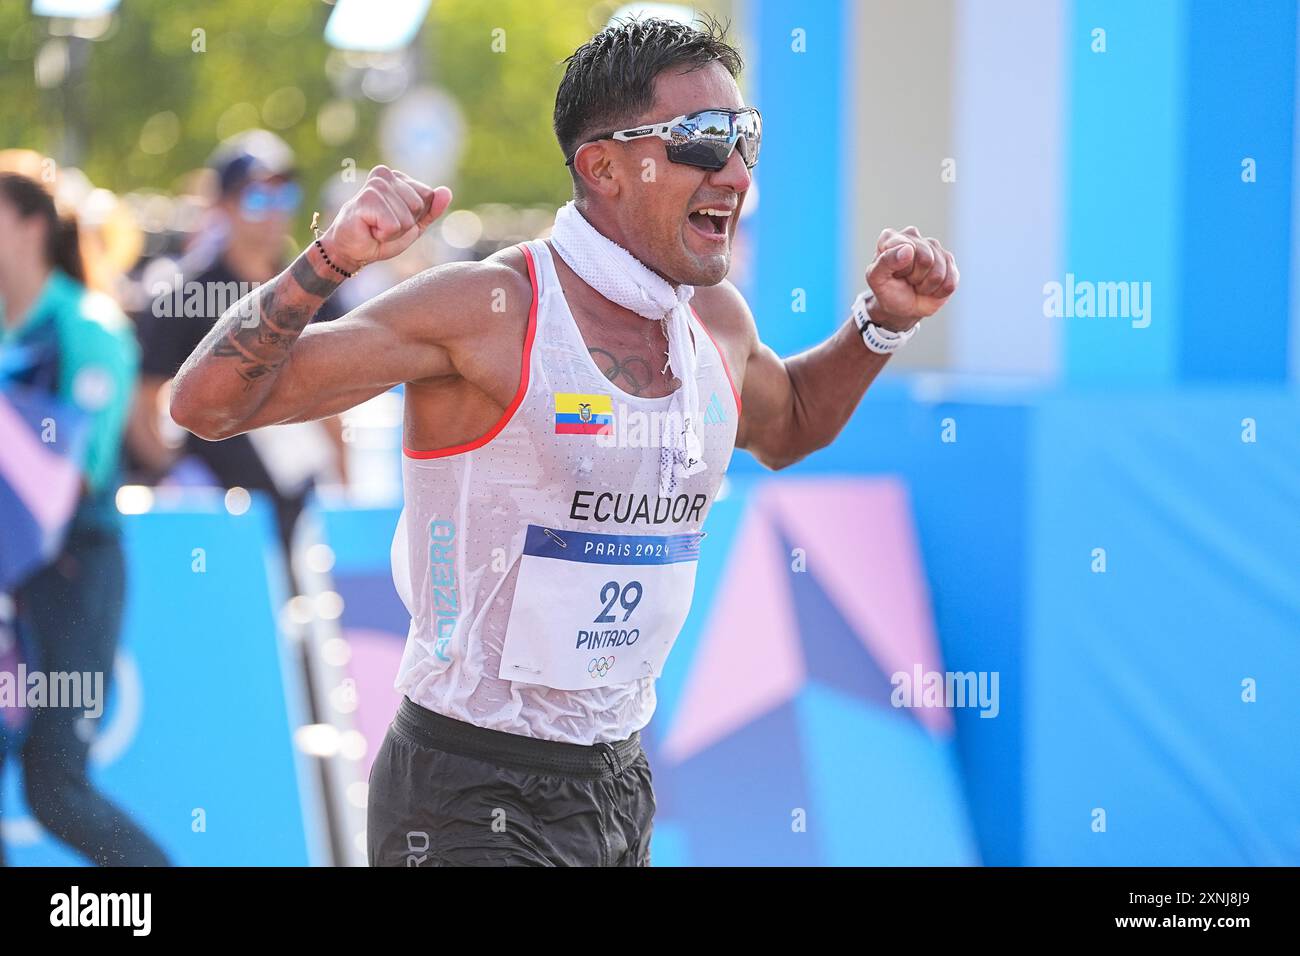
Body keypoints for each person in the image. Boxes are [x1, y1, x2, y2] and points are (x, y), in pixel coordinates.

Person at [169, 16, 958, 866]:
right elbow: (203, 404)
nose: (733, 171)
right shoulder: (489, 311)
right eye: (699, 140)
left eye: (743, 139)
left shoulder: (712, 324)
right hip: (468, 783)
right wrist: (326, 261)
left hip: (616, 780)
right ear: (604, 166)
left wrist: (880, 326)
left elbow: (791, 423)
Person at [0, 171, 169, 866]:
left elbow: (69, 477)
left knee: (55, 786)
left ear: (32, 226)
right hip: (16, 573)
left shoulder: (88, 328)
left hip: (69, 569)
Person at [131, 130, 348, 577]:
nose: (272, 214)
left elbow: (336, 405)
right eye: (255, 198)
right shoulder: (186, 293)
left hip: (301, 512)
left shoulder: (319, 288)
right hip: (217, 524)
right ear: (223, 206)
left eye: (284, 195)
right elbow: (142, 402)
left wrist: (343, 498)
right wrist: (176, 476)